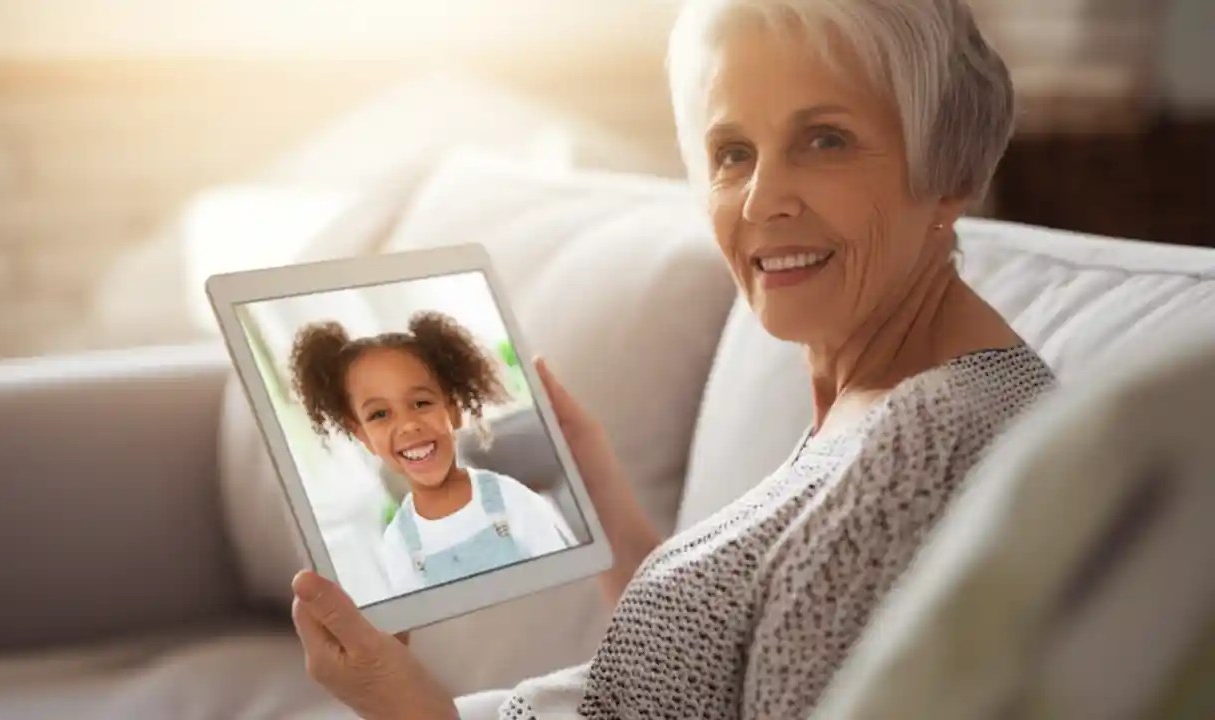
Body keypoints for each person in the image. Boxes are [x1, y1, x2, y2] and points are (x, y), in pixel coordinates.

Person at [285, 1, 1059, 718]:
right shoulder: (882, 399)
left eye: (825, 140)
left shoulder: (929, 442)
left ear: (950, 173)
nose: (760, 201)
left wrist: (402, 701)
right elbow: (715, 675)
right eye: (732, 152)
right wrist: (612, 516)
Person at [289, 311, 573, 598]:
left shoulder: (510, 499)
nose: (408, 425)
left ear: (453, 410)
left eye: (421, 403)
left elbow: (571, 583)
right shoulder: (399, 543)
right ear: (363, 436)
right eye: (379, 414)